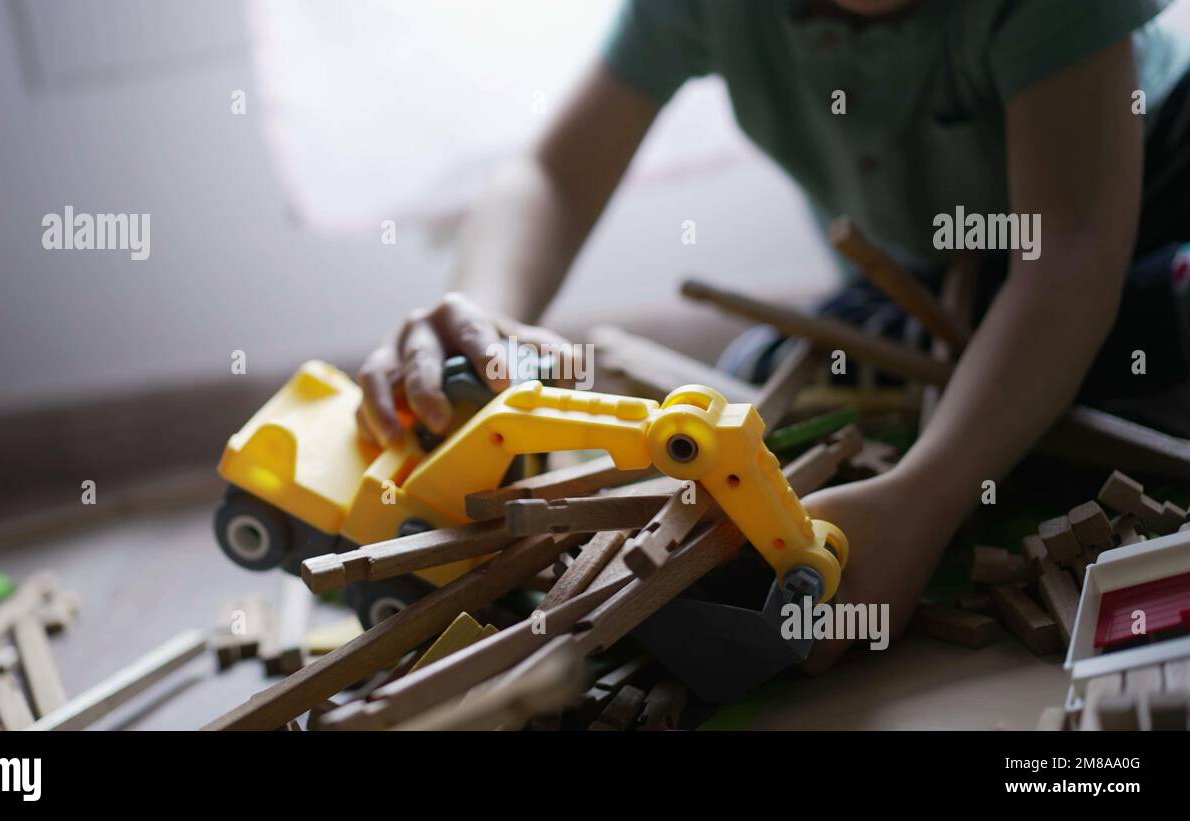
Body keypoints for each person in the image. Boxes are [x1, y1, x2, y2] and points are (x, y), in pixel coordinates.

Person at [354, 0, 1190, 669]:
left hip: (1142, 219)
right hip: (940, 275)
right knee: (763, 375)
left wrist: (927, 494)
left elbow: (1068, 258)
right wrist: (483, 308)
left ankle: (1042, 401)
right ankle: (1034, 405)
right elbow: (551, 174)